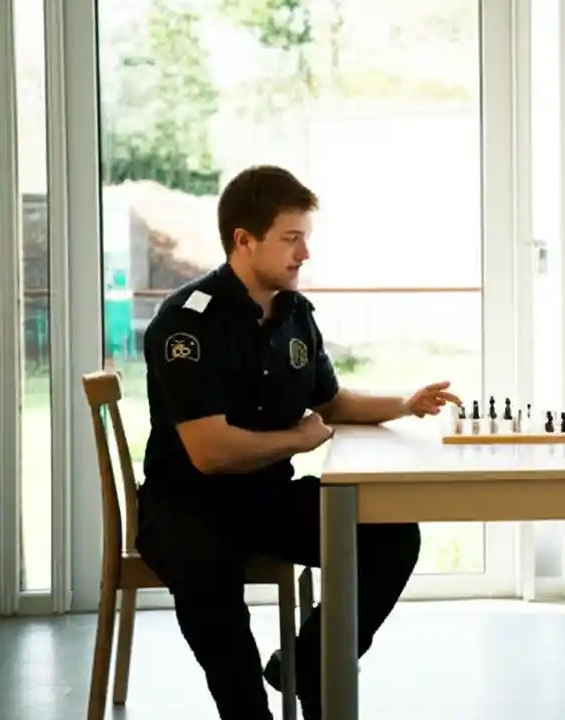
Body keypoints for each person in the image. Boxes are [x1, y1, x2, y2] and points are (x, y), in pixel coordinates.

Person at [135, 164, 460, 719]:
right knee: (209, 576)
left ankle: (308, 664)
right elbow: (210, 452)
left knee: (391, 536)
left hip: (264, 497)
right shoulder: (187, 325)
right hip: (188, 504)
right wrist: (297, 438)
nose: (304, 253)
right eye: (291, 239)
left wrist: (405, 403)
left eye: (305, 238)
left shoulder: (294, 315)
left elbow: (332, 403)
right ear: (244, 240)